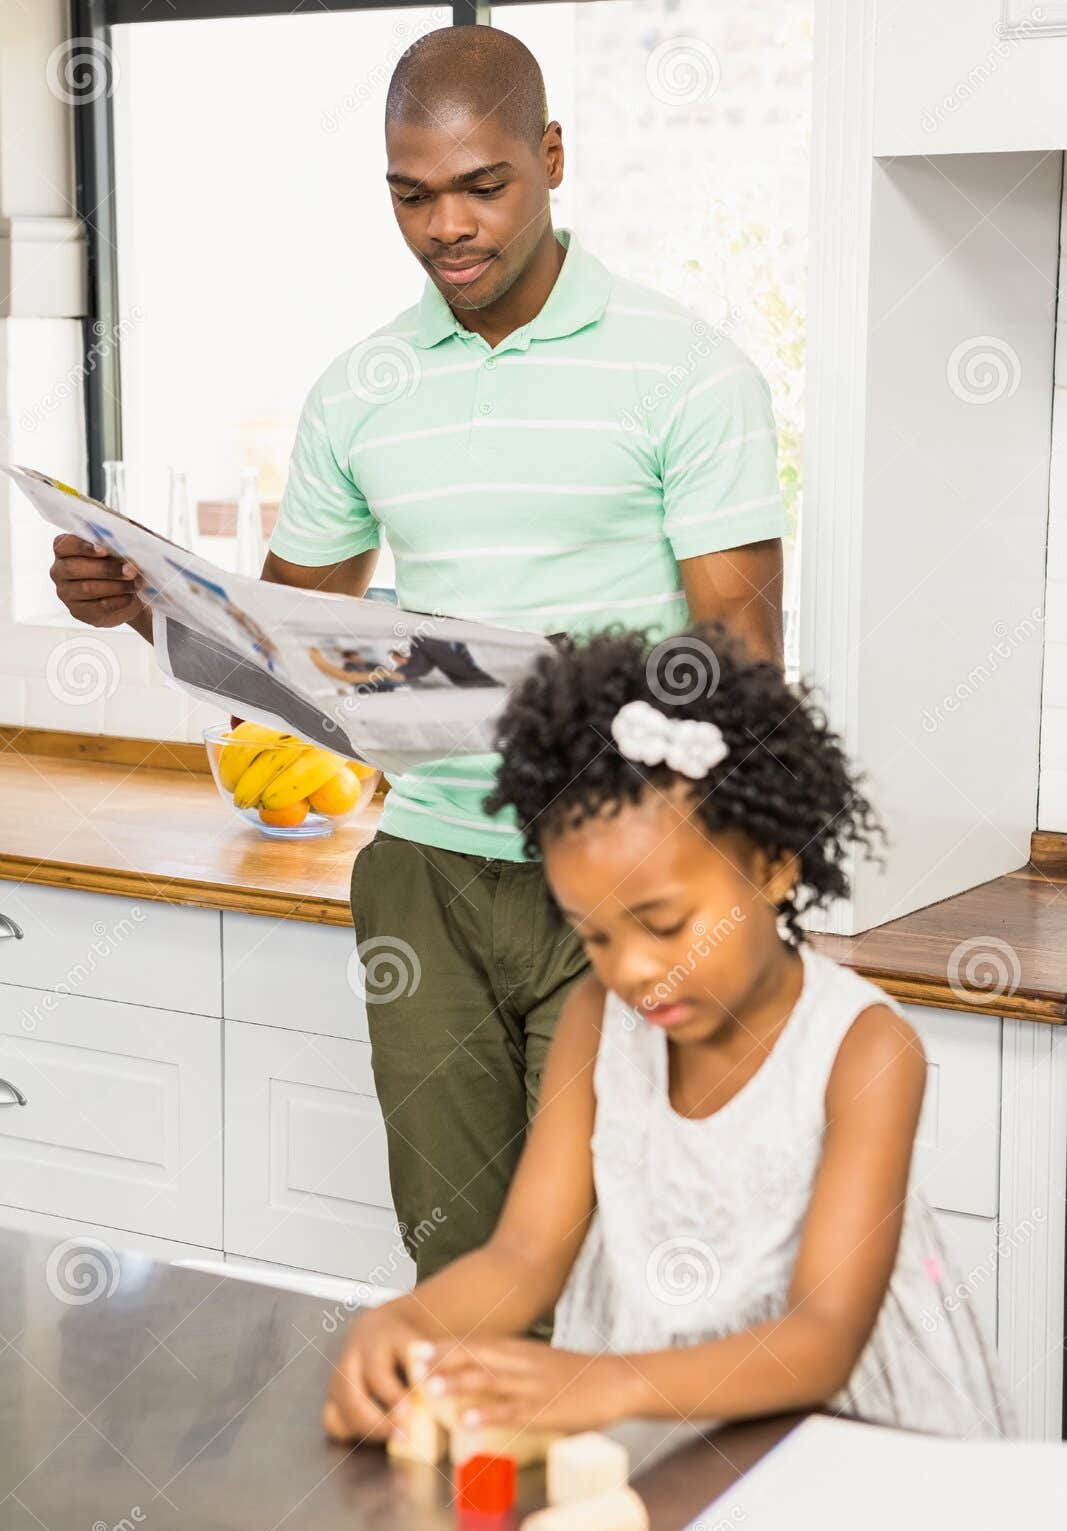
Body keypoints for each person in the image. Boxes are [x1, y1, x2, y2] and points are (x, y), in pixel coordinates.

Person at [47, 26, 790, 1284]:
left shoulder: (688, 374)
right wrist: (135, 601)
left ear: (550, 158)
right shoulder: (363, 388)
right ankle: (485, 1482)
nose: (448, 225)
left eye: (482, 185)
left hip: (626, 867)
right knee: (454, 1258)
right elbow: (287, 638)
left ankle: (624, 1486)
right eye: (412, 194)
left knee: (618, 1256)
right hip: (426, 878)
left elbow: (743, 657)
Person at [324, 624, 1013, 1442]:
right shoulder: (594, 1022)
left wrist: (604, 1384)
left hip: (844, 1430)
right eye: (595, 936)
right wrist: (406, 1320)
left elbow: (821, 1339)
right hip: (661, 1409)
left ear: (772, 866)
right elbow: (524, 1259)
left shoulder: (861, 1051)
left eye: (663, 923)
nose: (634, 971)